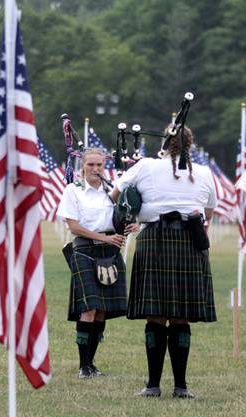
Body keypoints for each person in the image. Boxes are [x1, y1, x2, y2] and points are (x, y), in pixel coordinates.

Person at [110, 126, 217, 398]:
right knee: (181, 317)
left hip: (154, 240)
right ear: (189, 145)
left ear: (166, 144)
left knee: (155, 315)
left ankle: (152, 385)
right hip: (190, 243)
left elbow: (116, 196)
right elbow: (208, 210)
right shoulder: (204, 172)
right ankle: (180, 387)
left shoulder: (146, 165)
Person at [57, 147, 137, 379]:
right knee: (89, 308)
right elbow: (73, 226)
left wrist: (133, 225)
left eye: (99, 165)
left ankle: (91, 363)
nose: (95, 169)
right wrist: (105, 237)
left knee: (102, 310)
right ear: (83, 166)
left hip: (109, 251)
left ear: (105, 166)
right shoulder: (73, 190)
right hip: (84, 250)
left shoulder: (112, 192)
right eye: (90, 165)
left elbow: (122, 216)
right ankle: (83, 367)